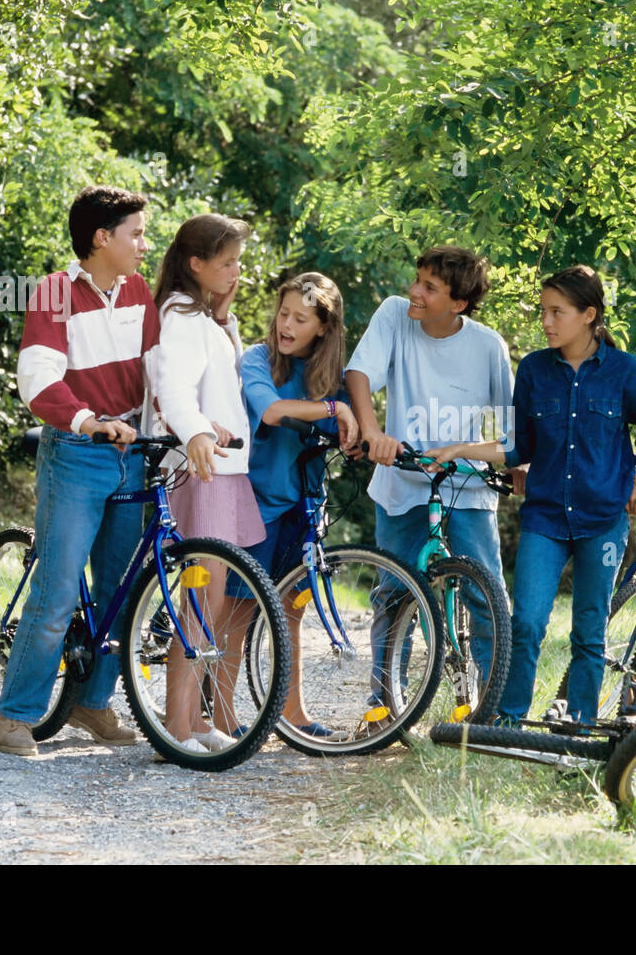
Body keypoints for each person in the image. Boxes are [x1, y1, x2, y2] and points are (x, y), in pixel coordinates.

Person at [428, 265, 636, 724]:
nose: (546, 321)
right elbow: (520, 445)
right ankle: (509, 719)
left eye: (557, 312)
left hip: (602, 520)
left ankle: (577, 725)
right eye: (544, 311)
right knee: (526, 623)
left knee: (587, 633)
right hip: (544, 519)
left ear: (589, 315)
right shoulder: (536, 370)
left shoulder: (623, 371)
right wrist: (461, 448)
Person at [0, 185, 159, 756]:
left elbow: (159, 367)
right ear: (100, 238)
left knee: (119, 591)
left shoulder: (139, 290)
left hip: (132, 454)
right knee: (59, 588)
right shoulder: (56, 292)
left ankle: (91, 702)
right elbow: (38, 379)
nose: (144, 243)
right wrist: (88, 421)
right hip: (77, 453)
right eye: (136, 233)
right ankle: (14, 716)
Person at [346, 245, 514, 723]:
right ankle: (383, 704)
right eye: (417, 279)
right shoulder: (395, 316)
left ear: (458, 303)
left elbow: (509, 426)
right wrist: (373, 431)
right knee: (393, 594)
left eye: (430, 288)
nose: (414, 292)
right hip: (402, 479)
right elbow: (359, 373)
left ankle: (493, 710)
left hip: (465, 485)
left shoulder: (487, 346)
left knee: (486, 596)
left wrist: (513, 464)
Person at [148, 212, 263, 752]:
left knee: (211, 603)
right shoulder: (179, 315)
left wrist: (223, 314)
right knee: (199, 600)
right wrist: (194, 431)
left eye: (238, 260)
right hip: (202, 469)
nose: (237, 270)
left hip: (225, 470)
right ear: (196, 265)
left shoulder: (207, 317)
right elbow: (173, 389)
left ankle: (194, 721)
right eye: (227, 262)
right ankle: (176, 727)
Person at [237, 271, 358, 738]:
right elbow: (270, 411)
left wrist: (350, 433)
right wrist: (334, 411)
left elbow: (343, 431)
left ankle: (293, 713)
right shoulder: (258, 360)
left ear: (323, 327)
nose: (286, 324)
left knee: (292, 607)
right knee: (240, 608)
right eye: (283, 313)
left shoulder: (332, 379)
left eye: (300, 318)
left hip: (305, 506)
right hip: (256, 503)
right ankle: (224, 717)